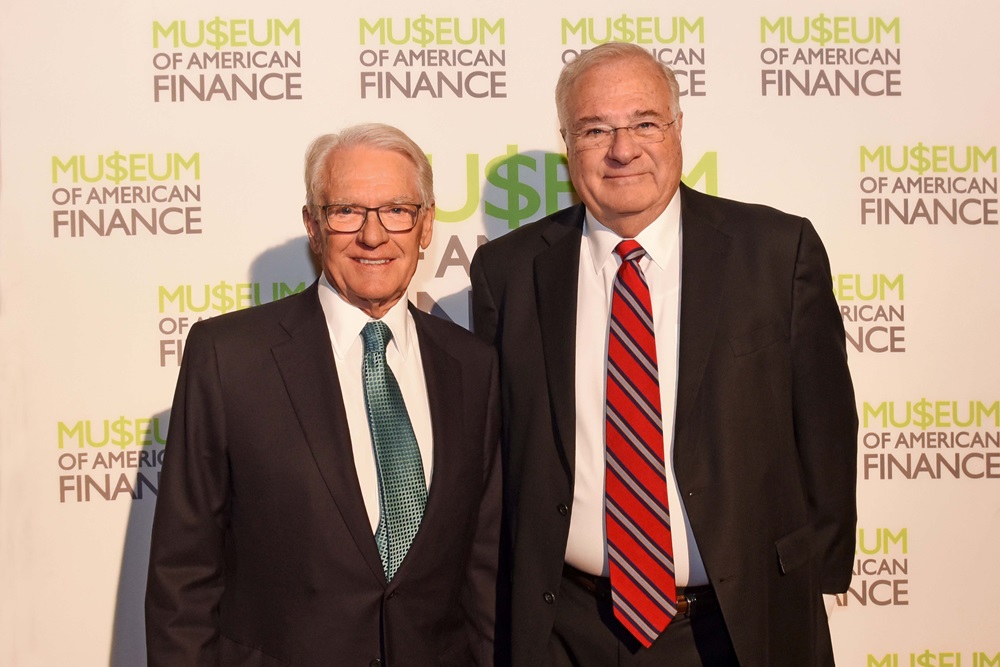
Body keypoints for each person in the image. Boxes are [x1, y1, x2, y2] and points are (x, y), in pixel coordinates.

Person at [471, 42, 857, 666]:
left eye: (645, 123)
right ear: (569, 142)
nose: (623, 149)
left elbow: (826, 433)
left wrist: (809, 577)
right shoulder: (508, 272)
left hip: (735, 628)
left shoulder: (777, 252)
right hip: (565, 628)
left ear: (678, 130)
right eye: (596, 129)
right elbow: (492, 457)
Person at [146, 123, 501, 666]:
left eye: (396, 210)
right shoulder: (229, 358)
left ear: (426, 225)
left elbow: (484, 569)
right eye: (346, 212)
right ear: (313, 225)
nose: (373, 235)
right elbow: (183, 577)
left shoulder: (473, 367)